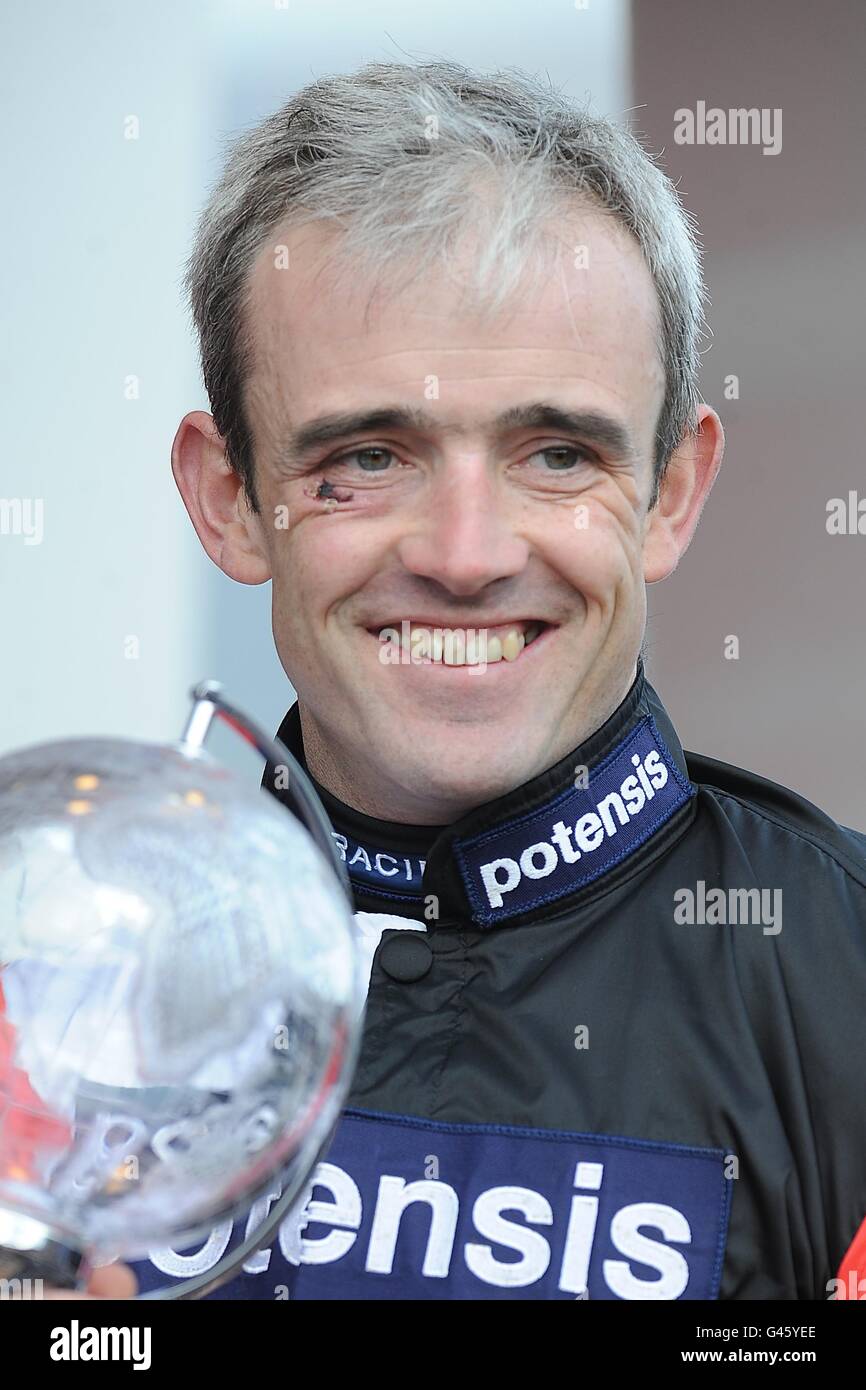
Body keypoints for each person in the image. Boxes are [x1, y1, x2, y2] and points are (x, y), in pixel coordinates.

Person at [111, 60, 866, 1299]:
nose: (464, 556)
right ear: (230, 498)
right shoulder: (53, 966)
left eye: (555, 452)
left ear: (668, 495)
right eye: (366, 456)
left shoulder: (837, 979)